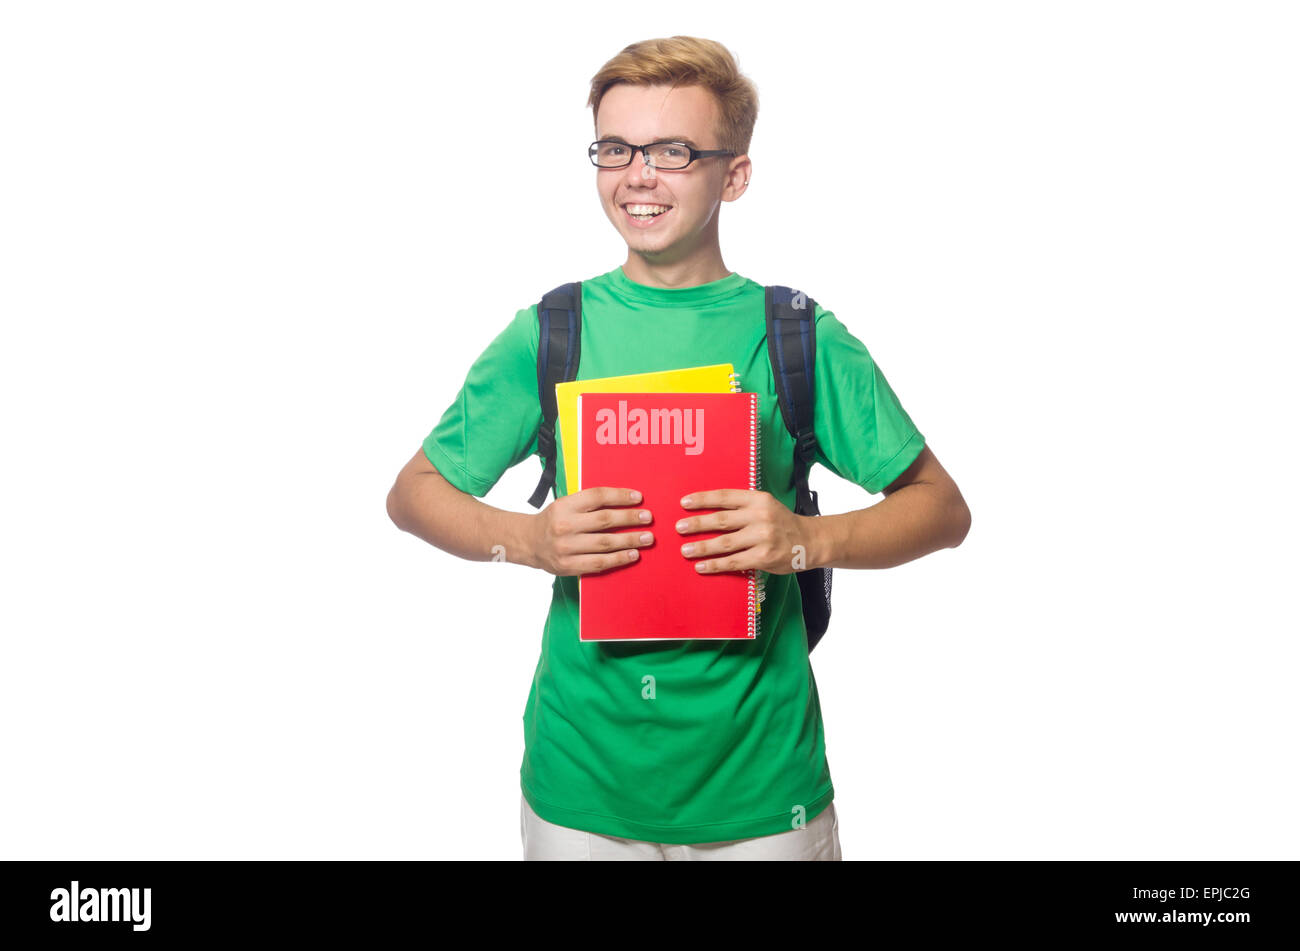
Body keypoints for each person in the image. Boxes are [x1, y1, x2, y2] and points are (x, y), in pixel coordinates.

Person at [387, 35, 971, 861]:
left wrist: (806, 540)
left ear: (734, 174)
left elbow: (942, 510)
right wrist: (526, 539)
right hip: (580, 785)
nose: (638, 175)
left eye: (673, 151)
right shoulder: (553, 331)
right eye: (616, 148)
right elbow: (413, 491)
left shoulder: (797, 333)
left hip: (765, 790)